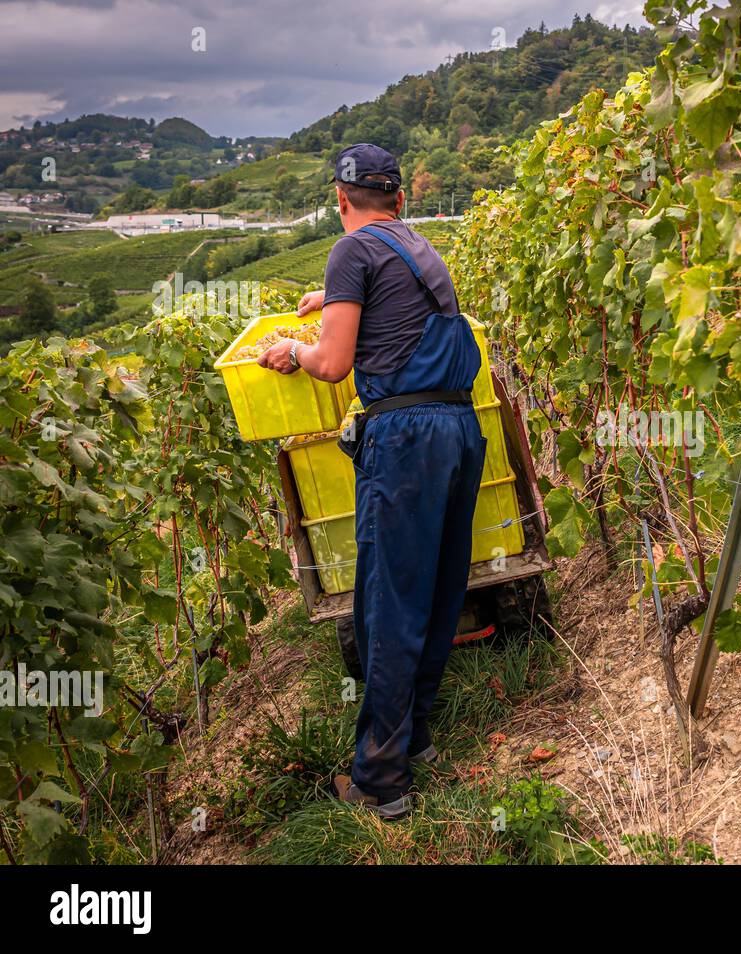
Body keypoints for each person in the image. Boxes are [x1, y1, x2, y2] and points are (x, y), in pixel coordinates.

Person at [258, 143, 485, 818]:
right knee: (439, 589)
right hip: (458, 429)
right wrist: (333, 299)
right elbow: (401, 307)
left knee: (389, 602)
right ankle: (413, 740)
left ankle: (381, 781)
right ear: (399, 198)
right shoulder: (418, 246)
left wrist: (293, 350)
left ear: (340, 199)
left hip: (405, 438)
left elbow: (331, 364)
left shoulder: (350, 250)